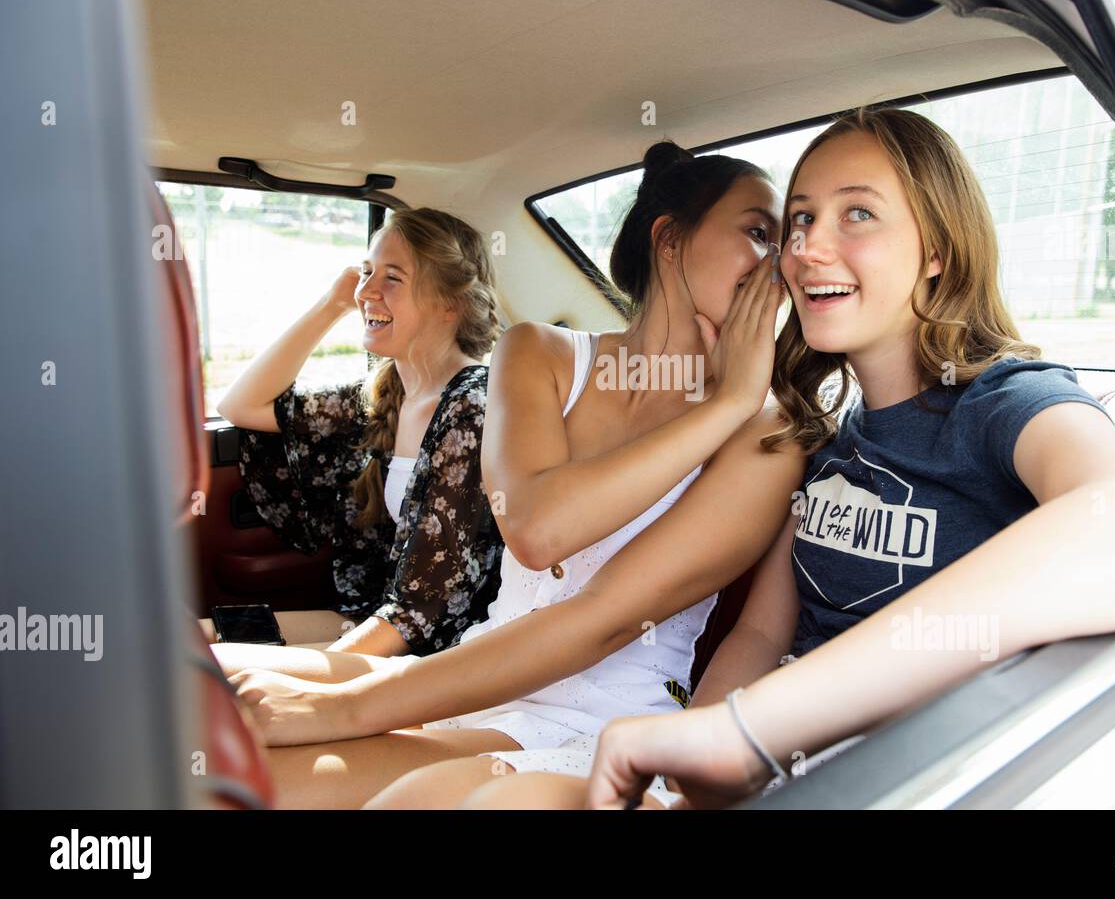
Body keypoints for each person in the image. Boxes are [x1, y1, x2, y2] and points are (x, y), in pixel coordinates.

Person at [456, 106, 1115, 810]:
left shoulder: (1000, 404)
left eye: (856, 214)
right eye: (799, 220)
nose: (805, 248)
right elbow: (758, 639)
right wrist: (678, 784)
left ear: (936, 250)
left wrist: (749, 731)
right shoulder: (836, 442)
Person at [228, 141, 810, 809]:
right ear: (669, 240)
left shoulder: (764, 435)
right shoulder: (539, 351)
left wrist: (348, 707)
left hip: (599, 724)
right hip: (479, 677)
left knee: (281, 780)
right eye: (759, 233)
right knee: (208, 707)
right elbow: (534, 518)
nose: (782, 262)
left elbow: (594, 612)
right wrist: (351, 701)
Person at [205, 207, 505, 674]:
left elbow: (423, 611)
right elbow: (240, 405)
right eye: (365, 273)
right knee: (184, 641)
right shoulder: (385, 396)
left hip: (433, 654)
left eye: (393, 278)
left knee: (208, 673)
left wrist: (299, 682)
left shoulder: (473, 407)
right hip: (365, 619)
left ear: (451, 304)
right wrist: (332, 304)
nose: (366, 292)